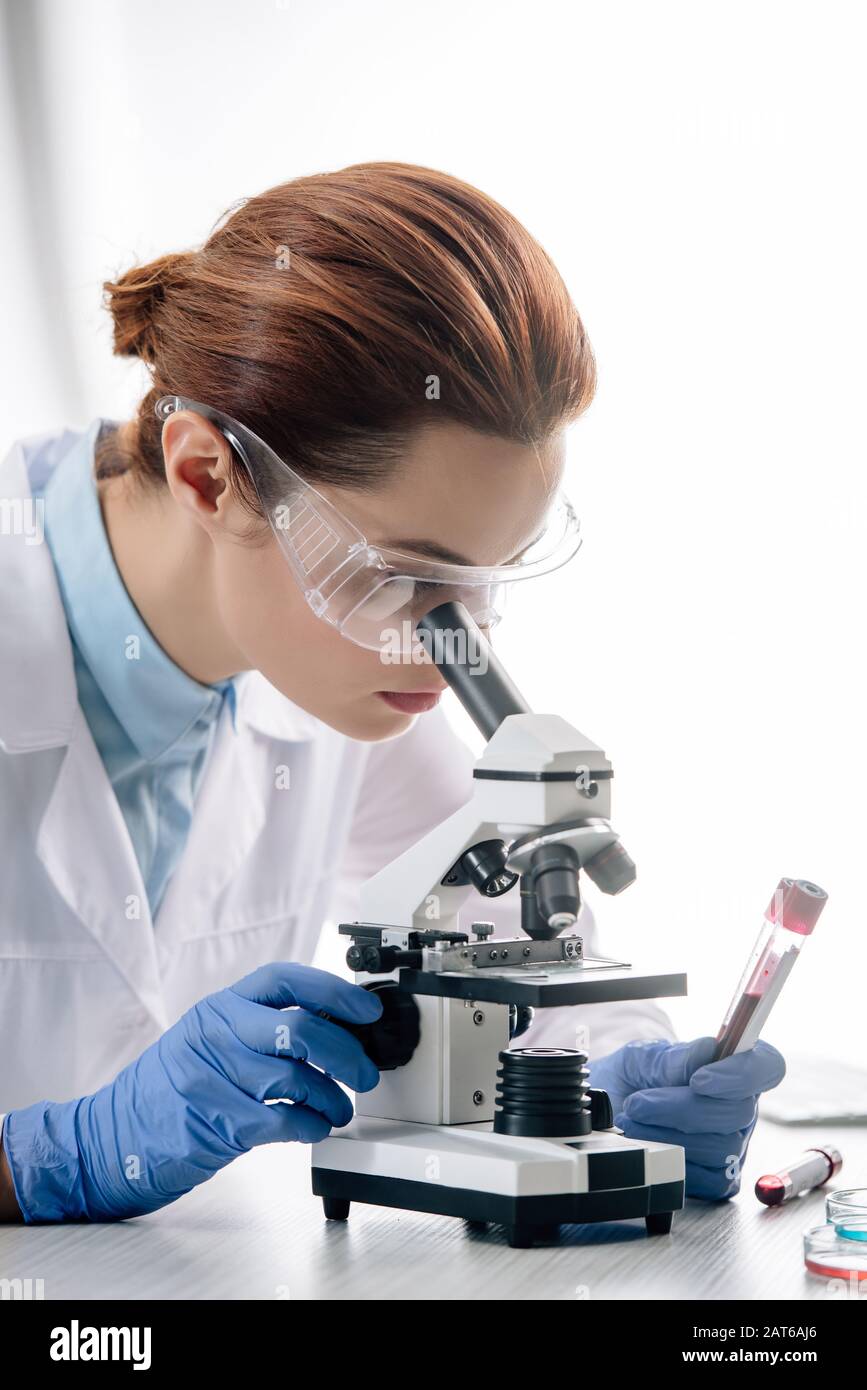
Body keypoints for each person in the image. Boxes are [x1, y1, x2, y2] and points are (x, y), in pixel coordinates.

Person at [0, 162, 783, 1224]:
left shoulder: (344, 675)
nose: (454, 642)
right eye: (407, 574)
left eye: (487, 576)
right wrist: (51, 1159)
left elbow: (516, 956)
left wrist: (623, 1087)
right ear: (207, 478)